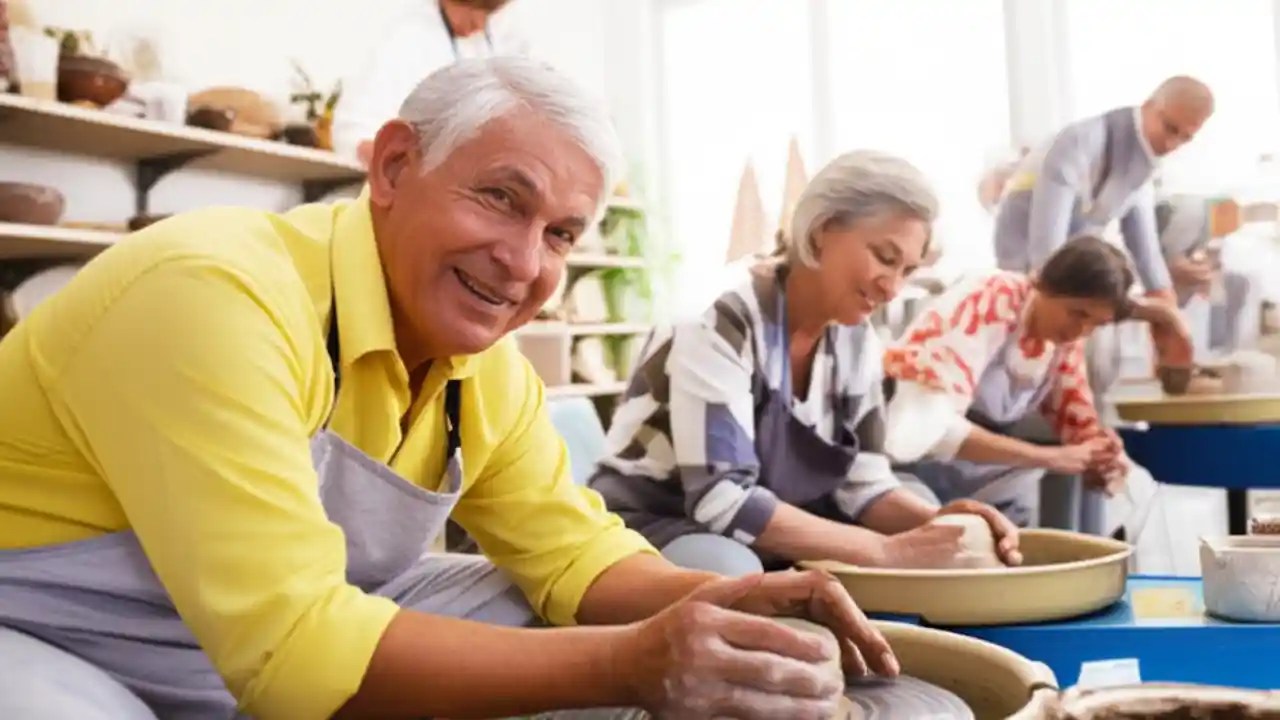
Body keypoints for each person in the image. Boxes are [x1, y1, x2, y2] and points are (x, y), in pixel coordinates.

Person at [0, 58, 896, 720]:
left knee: (685, 583)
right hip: (53, 632)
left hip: (258, 626)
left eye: (559, 234)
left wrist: (739, 613)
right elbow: (296, 651)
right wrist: (632, 665)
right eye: (502, 198)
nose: (522, 264)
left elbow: (572, 557)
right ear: (392, 167)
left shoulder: (485, 370)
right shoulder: (214, 294)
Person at [588, 151, 1023, 578]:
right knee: (733, 573)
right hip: (659, 518)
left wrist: (944, 523)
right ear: (820, 233)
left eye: (907, 270)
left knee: (921, 503)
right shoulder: (720, 324)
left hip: (764, 519)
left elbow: (864, 485)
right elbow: (722, 500)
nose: (893, 288)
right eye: (885, 257)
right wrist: (885, 551)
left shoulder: (855, 341)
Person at [881, 236, 1191, 525]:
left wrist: (1105, 458)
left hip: (976, 477)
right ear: (1044, 285)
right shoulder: (989, 298)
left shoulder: (1063, 343)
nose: (1080, 331)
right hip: (904, 469)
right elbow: (930, 431)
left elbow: (1079, 425)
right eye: (1077, 313)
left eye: (1095, 324)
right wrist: (1051, 457)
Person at [993, 75, 1208, 378]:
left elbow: (1148, 257)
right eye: (1169, 128)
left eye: (1185, 138)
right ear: (1148, 107)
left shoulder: (1141, 169)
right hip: (1029, 291)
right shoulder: (1079, 142)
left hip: (1070, 291)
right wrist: (1150, 312)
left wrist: (1171, 323)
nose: (1172, 144)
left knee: (1095, 368)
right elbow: (1048, 264)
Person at [333, 0, 527, 165]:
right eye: (472, 12)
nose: (478, 24)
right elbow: (355, 138)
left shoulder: (504, 40)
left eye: (488, 14)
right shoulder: (405, 39)